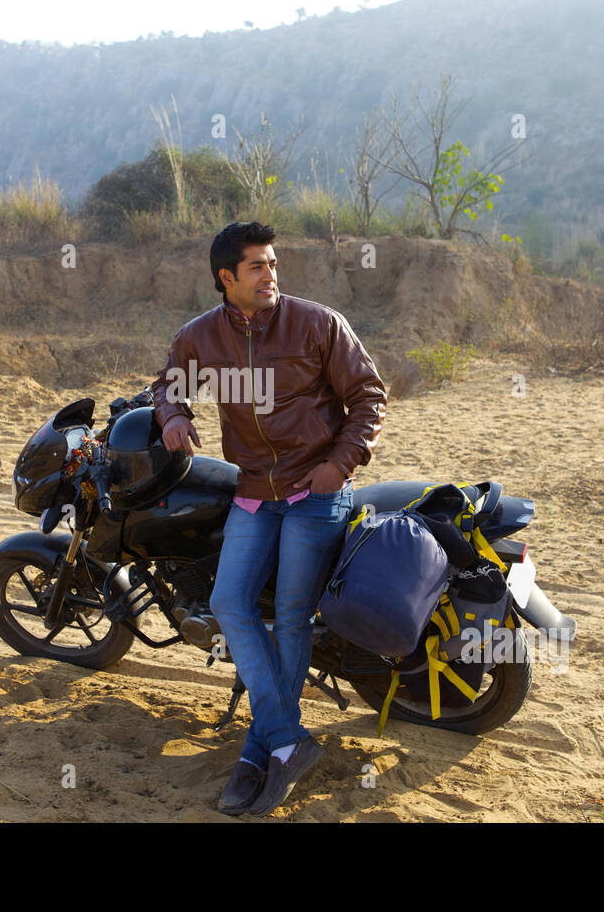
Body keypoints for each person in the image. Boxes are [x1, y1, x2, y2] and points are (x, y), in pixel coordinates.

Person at [150, 221, 387, 816]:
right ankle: (286, 739)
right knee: (230, 604)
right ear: (226, 278)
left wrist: (340, 463)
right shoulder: (201, 336)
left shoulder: (317, 323)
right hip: (255, 490)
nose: (270, 275)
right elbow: (167, 385)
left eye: (273, 264)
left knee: (288, 614)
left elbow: (369, 397)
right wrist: (173, 416)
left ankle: (261, 751)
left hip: (316, 489)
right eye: (257, 266)